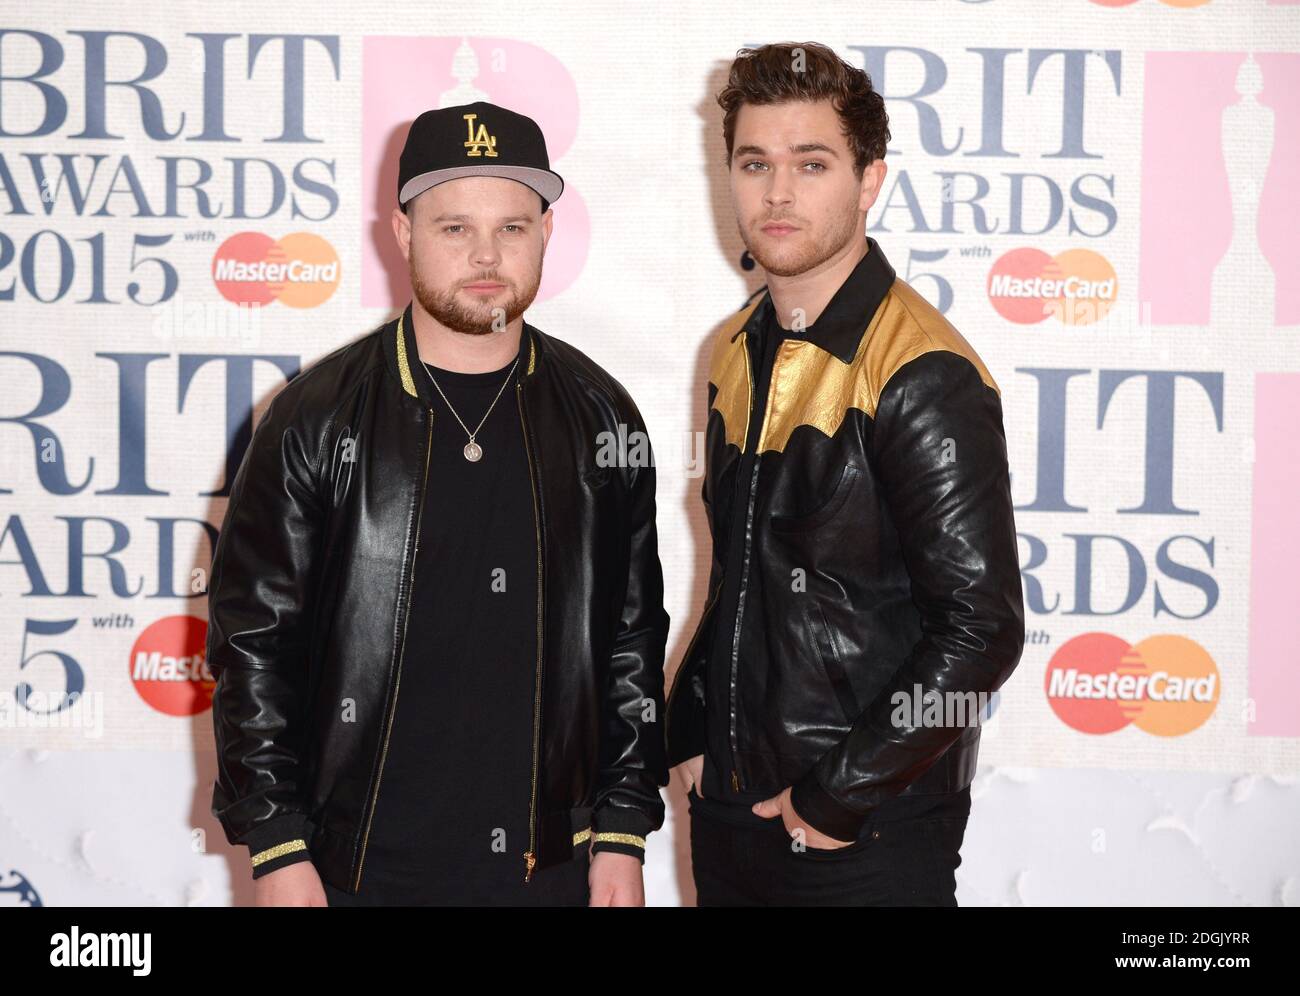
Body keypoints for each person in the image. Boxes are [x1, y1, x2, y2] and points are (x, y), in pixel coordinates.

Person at [207, 101, 669, 907]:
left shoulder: (602, 416)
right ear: (402, 232)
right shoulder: (315, 418)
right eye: (454, 227)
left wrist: (622, 830)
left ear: (547, 233)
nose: (486, 254)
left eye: (513, 228)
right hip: (352, 867)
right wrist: (277, 847)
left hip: (548, 868)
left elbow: (630, 639)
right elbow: (254, 645)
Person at [665, 43, 1026, 906]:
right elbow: (742, 575)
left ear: (869, 182)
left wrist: (838, 794)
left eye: (812, 164)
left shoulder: (922, 371)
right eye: (755, 164)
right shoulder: (733, 349)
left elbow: (983, 630)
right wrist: (688, 728)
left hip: (863, 835)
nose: (777, 193)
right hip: (730, 812)